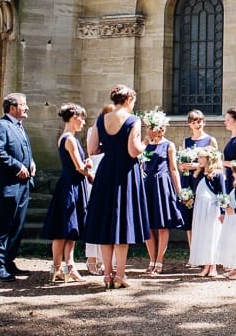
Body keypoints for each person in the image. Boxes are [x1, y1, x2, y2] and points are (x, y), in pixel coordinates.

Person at [82, 85, 150, 289]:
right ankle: (120, 274)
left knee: (105, 222)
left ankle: (107, 275)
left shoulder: (101, 119)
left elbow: (93, 148)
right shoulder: (133, 120)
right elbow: (133, 150)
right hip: (125, 173)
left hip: (106, 171)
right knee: (123, 222)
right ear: (129, 99)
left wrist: (110, 146)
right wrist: (147, 140)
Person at [40, 103, 92, 283]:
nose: (84, 122)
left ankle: (69, 267)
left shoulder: (68, 138)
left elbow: (78, 164)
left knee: (71, 229)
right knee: (63, 228)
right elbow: (78, 167)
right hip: (70, 186)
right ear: (73, 118)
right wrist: (90, 173)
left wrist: (86, 165)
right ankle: (58, 268)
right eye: (82, 118)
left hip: (74, 185)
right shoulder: (69, 139)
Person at [0, 92, 37, 282]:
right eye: (24, 105)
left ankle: (8, 261)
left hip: (23, 185)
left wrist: (31, 161)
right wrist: (17, 166)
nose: (27, 108)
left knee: (17, 226)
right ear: (12, 108)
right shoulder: (2, 126)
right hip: (9, 185)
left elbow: (24, 149)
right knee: (3, 227)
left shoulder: (19, 126)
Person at [141, 111, 184, 275]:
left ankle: (159, 261)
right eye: (152, 127)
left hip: (162, 184)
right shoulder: (144, 144)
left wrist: (179, 192)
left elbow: (173, 169)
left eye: (159, 128)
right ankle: (151, 259)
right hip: (147, 184)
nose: (157, 130)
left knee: (162, 224)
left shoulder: (169, 145)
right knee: (147, 224)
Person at [177, 109, 218, 251]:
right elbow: (180, 165)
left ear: (204, 122)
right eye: (194, 122)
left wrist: (199, 165)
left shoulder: (210, 140)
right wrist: (182, 166)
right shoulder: (186, 141)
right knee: (190, 217)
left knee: (204, 216)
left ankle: (205, 252)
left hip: (203, 181)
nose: (197, 125)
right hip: (188, 181)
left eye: (200, 121)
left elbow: (216, 163)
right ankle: (193, 252)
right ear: (189, 124)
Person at [84, 102, 113, 276]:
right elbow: (93, 151)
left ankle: (105, 259)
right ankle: (91, 259)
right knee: (95, 219)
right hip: (95, 177)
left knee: (108, 220)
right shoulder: (93, 130)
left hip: (110, 178)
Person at [188, 147, 226, 278]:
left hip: (212, 208)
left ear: (209, 159)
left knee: (212, 235)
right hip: (200, 207)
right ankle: (205, 266)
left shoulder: (218, 174)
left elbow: (222, 193)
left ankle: (213, 266)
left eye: (201, 157)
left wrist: (222, 211)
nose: (198, 160)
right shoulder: (198, 174)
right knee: (202, 235)